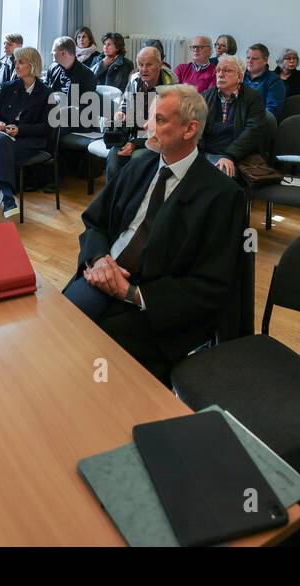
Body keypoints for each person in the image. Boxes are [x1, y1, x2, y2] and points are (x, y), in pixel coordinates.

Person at [65, 84, 248, 386]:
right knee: (60, 329)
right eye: (151, 118)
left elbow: (212, 282)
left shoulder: (222, 196)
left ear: (190, 130)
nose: (148, 126)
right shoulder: (140, 166)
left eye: (160, 120)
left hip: (156, 303)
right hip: (104, 272)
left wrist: (133, 294)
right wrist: (99, 260)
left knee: (95, 365)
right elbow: (95, 221)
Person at [0, 46, 51, 225]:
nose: (16, 65)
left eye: (21, 62)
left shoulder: (46, 93)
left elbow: (46, 127)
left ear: (32, 65)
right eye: (15, 61)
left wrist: (20, 130)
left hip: (26, 142)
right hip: (2, 137)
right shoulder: (8, 87)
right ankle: (7, 195)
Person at [201, 54, 266, 181]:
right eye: (218, 70)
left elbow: (253, 131)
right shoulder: (205, 96)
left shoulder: (253, 98)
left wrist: (229, 155)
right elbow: (197, 128)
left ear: (240, 77)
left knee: (221, 173)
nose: (220, 74)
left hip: (239, 155)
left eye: (227, 71)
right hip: (207, 153)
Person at [105, 45, 163, 181]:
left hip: (154, 140)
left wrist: (136, 143)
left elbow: (163, 128)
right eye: (141, 65)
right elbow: (125, 102)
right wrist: (122, 112)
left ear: (159, 64)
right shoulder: (134, 80)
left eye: (149, 65)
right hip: (131, 135)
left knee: (136, 160)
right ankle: (111, 199)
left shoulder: (171, 87)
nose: (144, 69)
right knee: (113, 158)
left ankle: (132, 200)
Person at [243, 43, 286, 116]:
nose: (249, 61)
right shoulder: (240, 76)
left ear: (265, 60)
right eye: (248, 57)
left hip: (259, 121)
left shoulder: (274, 81)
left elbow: (272, 110)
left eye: (254, 59)